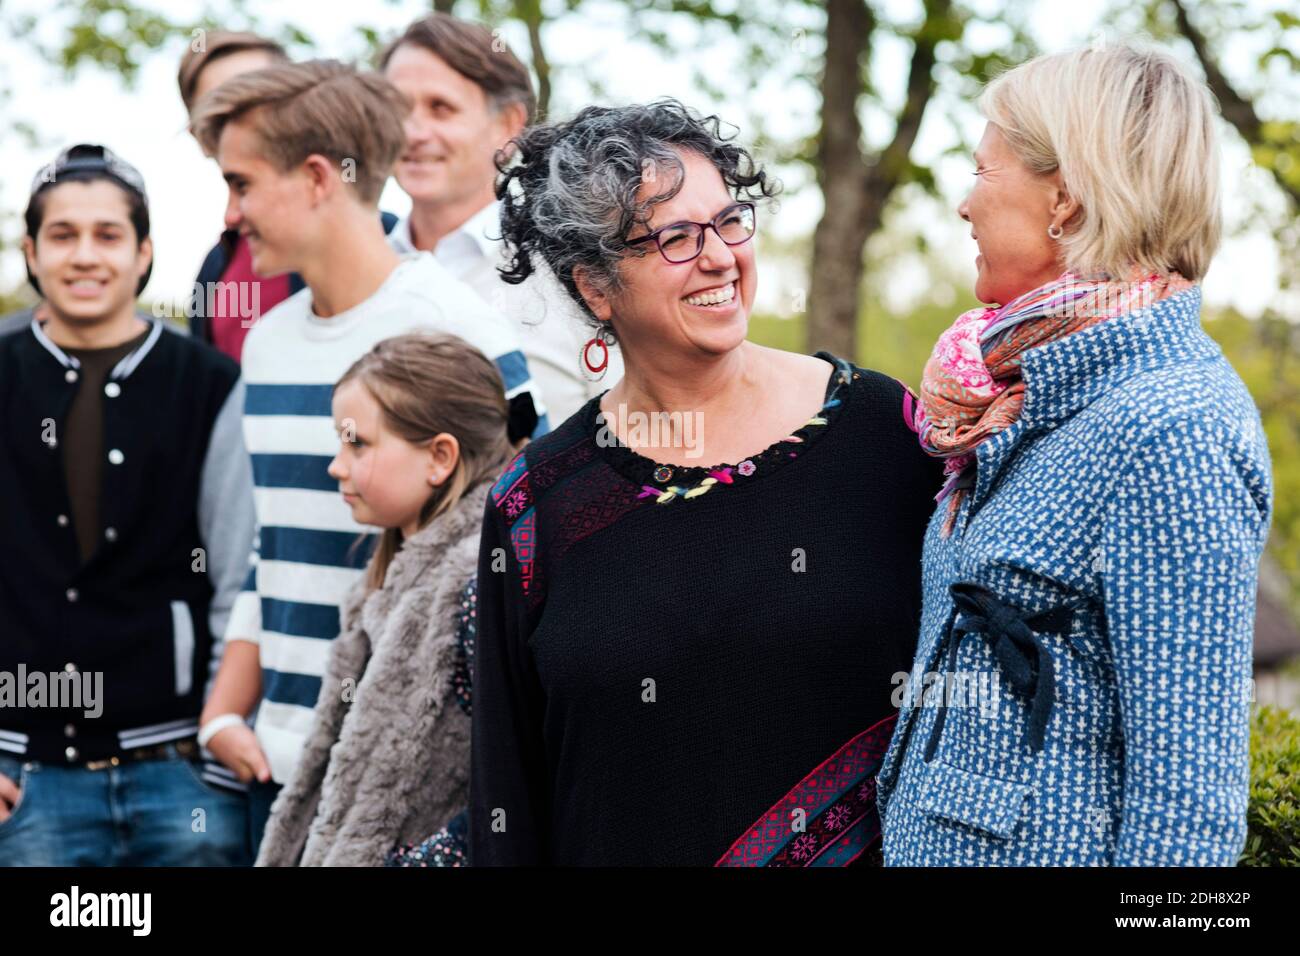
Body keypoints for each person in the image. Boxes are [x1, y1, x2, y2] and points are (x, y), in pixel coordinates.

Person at [468, 100, 944, 866]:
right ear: (595, 286)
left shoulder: (886, 432)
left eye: (728, 222)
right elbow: (506, 788)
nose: (721, 257)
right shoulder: (538, 505)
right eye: (675, 239)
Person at [875, 43, 1274, 866]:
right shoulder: (1016, 396)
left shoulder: (1172, 425)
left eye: (982, 173)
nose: (962, 206)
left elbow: (1190, 809)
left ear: (1064, 198)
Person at [188, 59, 547, 854]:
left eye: (242, 183)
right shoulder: (269, 344)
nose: (230, 212)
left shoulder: (459, 330)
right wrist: (223, 711)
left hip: (400, 783)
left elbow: (523, 551)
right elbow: (269, 548)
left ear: (319, 176)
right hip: (267, 764)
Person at [0, 145, 255, 865]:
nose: (86, 255)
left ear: (144, 253)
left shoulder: (207, 384)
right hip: (24, 781)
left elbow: (239, 578)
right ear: (31, 249)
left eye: (108, 235)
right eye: (63, 234)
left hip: (180, 778)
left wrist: (214, 737)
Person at [256, 334, 514, 866]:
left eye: (357, 444)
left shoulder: (479, 588)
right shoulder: (389, 586)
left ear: (439, 457)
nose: (336, 465)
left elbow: (516, 778)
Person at [380, 13, 622, 425]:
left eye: (441, 108)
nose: (414, 132)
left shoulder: (575, 275)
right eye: (398, 108)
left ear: (508, 124)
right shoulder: (363, 275)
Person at [178, 32, 402, 360]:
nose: (239, 115)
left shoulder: (395, 244)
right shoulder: (215, 271)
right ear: (199, 134)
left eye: (259, 95)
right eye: (222, 105)